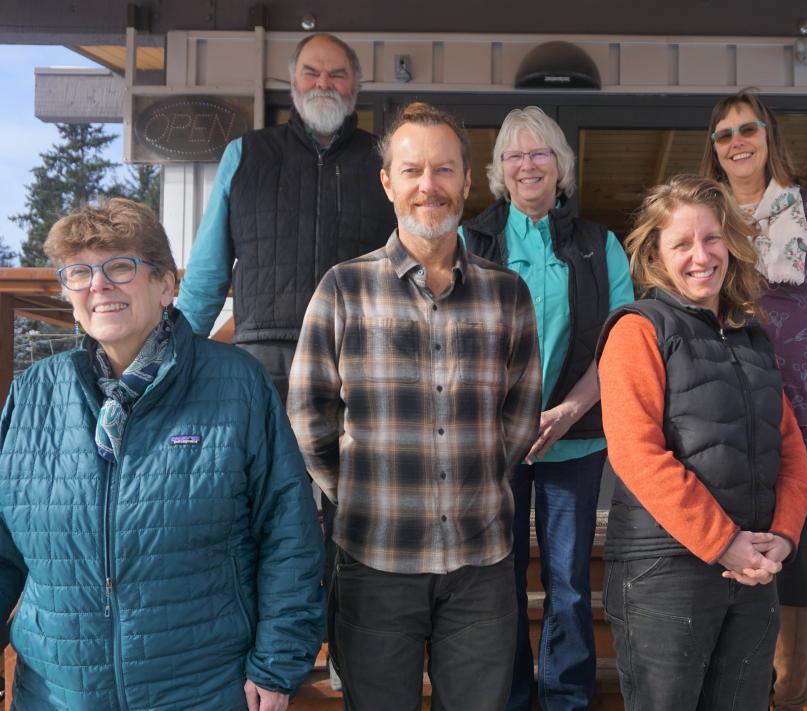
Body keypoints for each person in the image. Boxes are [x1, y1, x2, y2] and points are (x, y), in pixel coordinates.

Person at [0, 198, 324, 710]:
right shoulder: (34, 393)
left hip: (202, 690)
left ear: (167, 284)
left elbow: (288, 532)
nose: (98, 285)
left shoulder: (235, 384)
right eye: (79, 272)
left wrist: (278, 664)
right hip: (57, 695)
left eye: (121, 267)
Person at [287, 101, 542, 711]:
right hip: (375, 558)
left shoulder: (508, 295)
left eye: (444, 170)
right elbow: (308, 415)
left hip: (482, 562)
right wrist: (361, 494)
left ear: (468, 180)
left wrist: (470, 484)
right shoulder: (343, 288)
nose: (429, 186)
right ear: (388, 183)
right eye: (412, 171)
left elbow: (520, 416)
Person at [596, 174, 807, 710]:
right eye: (682, 243)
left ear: (731, 243)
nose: (701, 255)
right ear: (655, 253)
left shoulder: (752, 338)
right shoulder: (637, 330)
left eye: (711, 238)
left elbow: (792, 458)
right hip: (663, 573)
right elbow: (636, 453)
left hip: (754, 571)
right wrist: (725, 542)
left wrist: (782, 539)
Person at [459, 106, 634, 711]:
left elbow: (620, 345)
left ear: (560, 166)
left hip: (576, 437)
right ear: (499, 170)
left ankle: (565, 697)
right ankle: (507, 696)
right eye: (514, 155)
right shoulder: (469, 240)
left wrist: (568, 410)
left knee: (566, 583)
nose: (527, 165)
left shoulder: (599, 244)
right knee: (497, 581)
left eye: (540, 153)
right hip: (493, 444)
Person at [699, 89, 807, 709]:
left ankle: (788, 687)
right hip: (725, 388)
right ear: (713, 150)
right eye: (724, 135)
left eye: (748, 129)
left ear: (768, 136)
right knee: (731, 525)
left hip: (805, 389)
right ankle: (733, 675)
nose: (738, 142)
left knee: (791, 534)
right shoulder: (707, 214)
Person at [177, 32, 395, 396]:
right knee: (263, 456)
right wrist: (176, 354)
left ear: (355, 85)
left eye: (337, 74)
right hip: (264, 356)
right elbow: (207, 272)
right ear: (293, 81)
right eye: (311, 73)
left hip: (362, 355)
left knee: (351, 457)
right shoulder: (245, 154)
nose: (323, 83)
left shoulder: (385, 160)